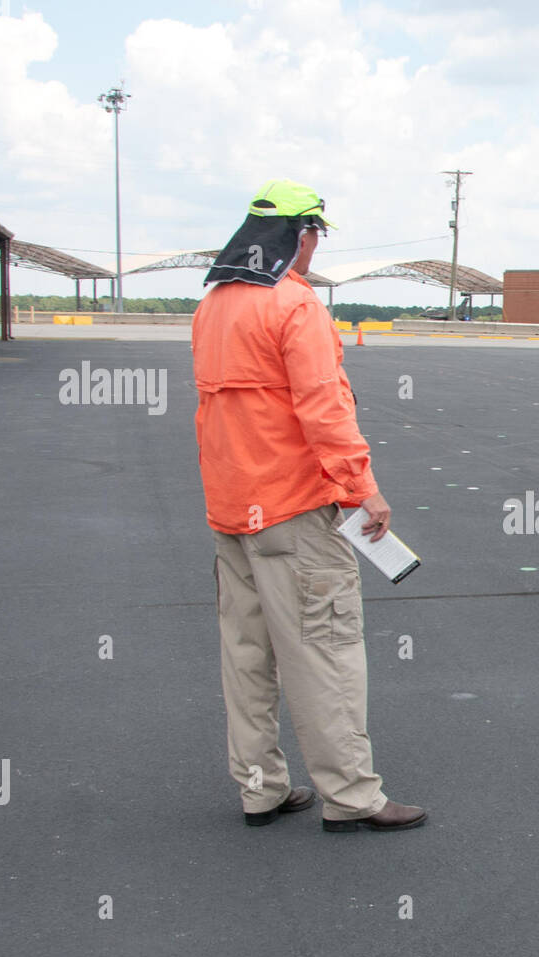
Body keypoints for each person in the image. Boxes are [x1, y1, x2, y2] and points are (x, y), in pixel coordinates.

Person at [191, 178, 426, 833]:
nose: (316, 245)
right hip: (295, 514)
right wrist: (362, 491)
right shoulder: (294, 305)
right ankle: (351, 796)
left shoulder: (213, 305)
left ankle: (260, 787)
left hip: (232, 514)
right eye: (316, 232)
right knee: (325, 652)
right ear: (301, 234)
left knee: (246, 656)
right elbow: (323, 408)